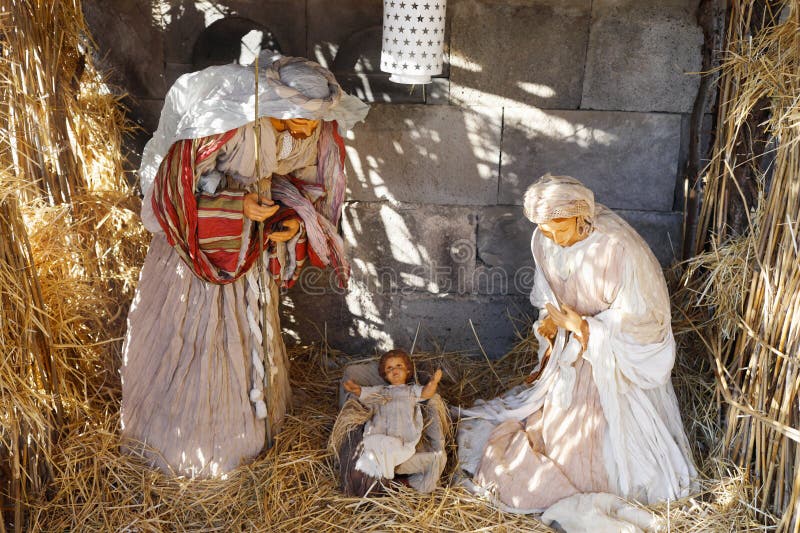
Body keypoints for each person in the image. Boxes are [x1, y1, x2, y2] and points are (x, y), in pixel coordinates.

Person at [120, 54, 368, 478]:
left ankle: (250, 434)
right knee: (197, 341)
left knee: (247, 335)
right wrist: (235, 205)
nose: (309, 129)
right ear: (275, 106)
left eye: (314, 122)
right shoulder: (226, 125)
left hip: (250, 250)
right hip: (201, 254)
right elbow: (174, 188)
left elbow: (305, 180)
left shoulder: (308, 132)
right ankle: (189, 445)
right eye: (299, 119)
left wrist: (291, 219)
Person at [456, 174, 696, 526]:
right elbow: (547, 295)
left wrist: (585, 328)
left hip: (610, 367)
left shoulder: (618, 248)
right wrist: (551, 322)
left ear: (582, 217)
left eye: (559, 227)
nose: (551, 236)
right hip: (571, 361)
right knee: (550, 426)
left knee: (610, 451)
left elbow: (643, 319)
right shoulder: (544, 240)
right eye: (544, 228)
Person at [342, 349, 443, 483]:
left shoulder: (411, 390)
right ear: (385, 375)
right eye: (389, 368)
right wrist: (356, 389)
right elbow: (364, 393)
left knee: (398, 446)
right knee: (374, 443)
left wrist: (433, 383)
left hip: (402, 429)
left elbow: (426, 393)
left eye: (399, 366)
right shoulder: (380, 390)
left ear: (408, 371)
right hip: (381, 427)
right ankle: (384, 473)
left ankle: (389, 472)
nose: (394, 370)